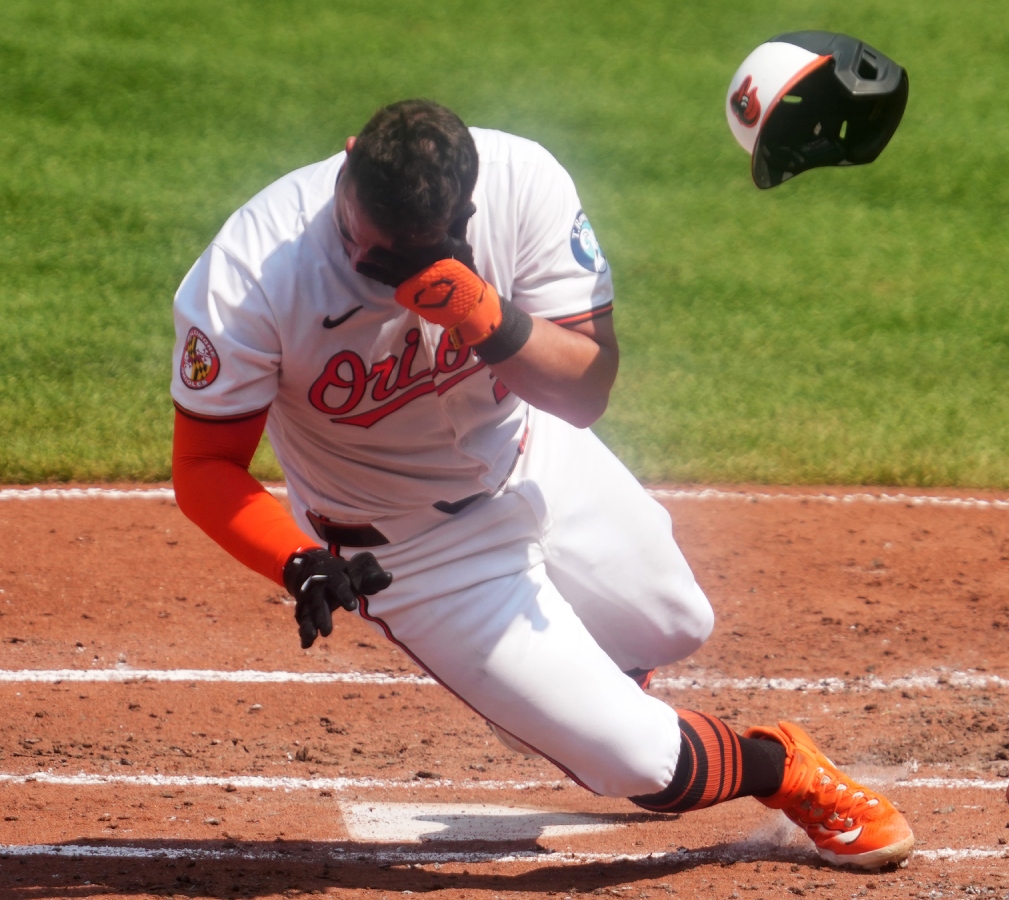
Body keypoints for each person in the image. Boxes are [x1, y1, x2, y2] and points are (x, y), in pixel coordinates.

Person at [167, 99, 914, 869]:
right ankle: (783, 766)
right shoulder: (252, 275)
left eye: (395, 253)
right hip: (414, 551)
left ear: (468, 209)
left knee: (677, 621)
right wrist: (296, 559)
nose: (367, 264)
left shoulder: (525, 182)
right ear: (349, 156)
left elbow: (586, 392)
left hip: (534, 451)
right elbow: (203, 468)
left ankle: (556, 694)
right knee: (637, 762)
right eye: (360, 238)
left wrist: (477, 309)